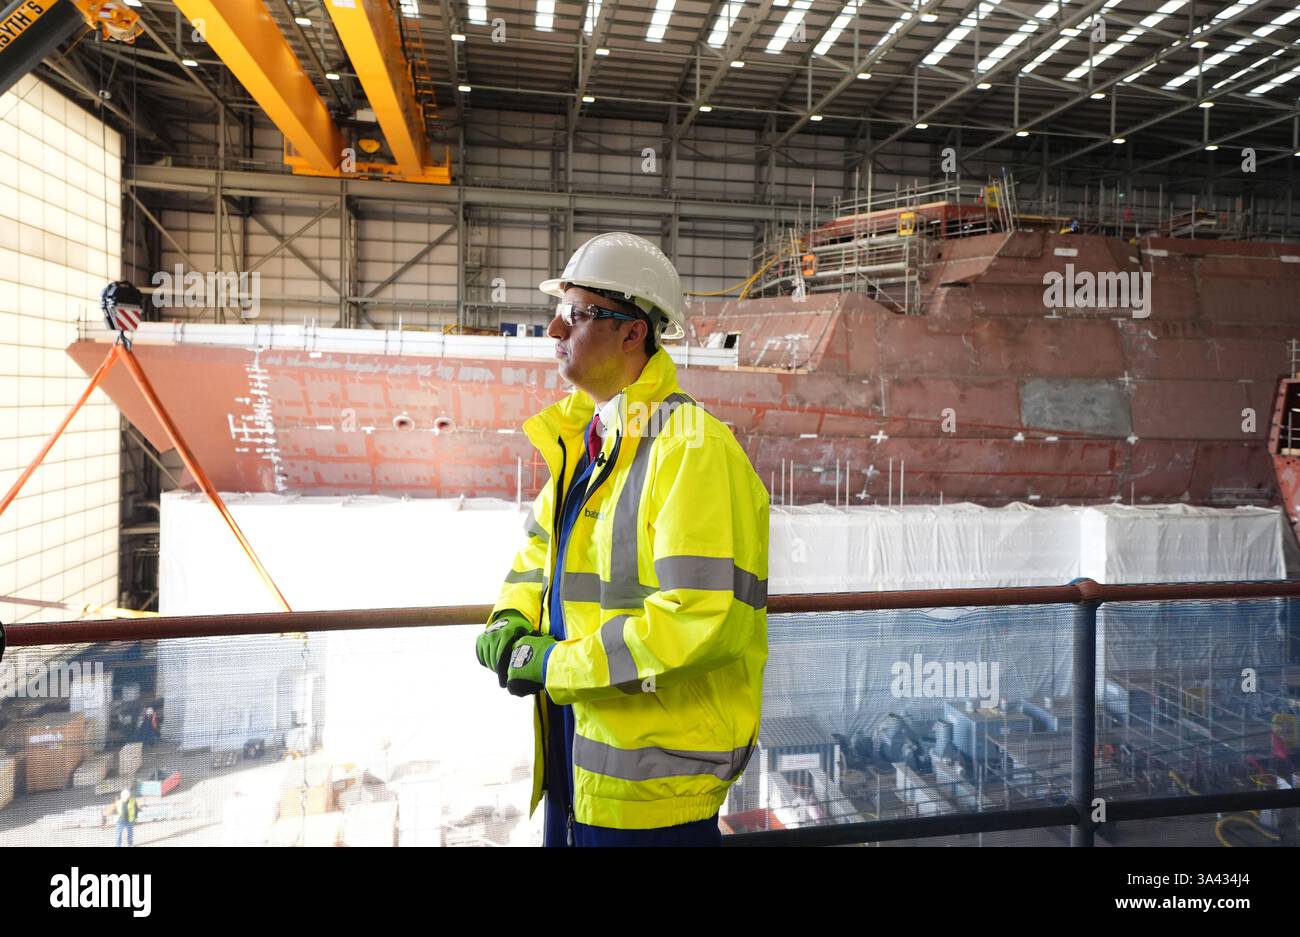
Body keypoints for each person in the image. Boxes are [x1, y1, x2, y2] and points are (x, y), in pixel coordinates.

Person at [475, 232, 770, 847]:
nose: (554, 330)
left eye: (575, 314)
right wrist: (510, 616)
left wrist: (554, 662)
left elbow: (702, 621)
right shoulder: (590, 441)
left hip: (651, 795)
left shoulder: (692, 448)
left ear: (633, 331)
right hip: (577, 759)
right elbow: (540, 555)